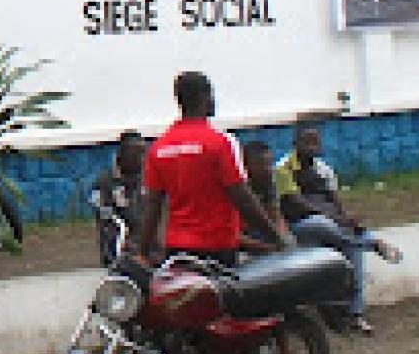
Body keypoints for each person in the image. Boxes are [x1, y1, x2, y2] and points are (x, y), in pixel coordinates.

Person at [133, 71, 284, 268]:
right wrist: (276, 238)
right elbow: (242, 197)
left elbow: (152, 205)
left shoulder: (159, 147)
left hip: (177, 248)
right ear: (205, 97)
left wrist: (143, 252)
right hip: (217, 246)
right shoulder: (221, 142)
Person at [274, 126, 403, 335]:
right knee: (322, 224)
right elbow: (298, 204)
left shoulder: (323, 170)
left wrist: (347, 220)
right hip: (303, 224)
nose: (312, 147)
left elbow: (335, 201)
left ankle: (355, 314)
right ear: (295, 144)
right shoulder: (283, 168)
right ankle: (373, 243)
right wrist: (336, 219)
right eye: (307, 142)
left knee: (352, 248)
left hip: (332, 225)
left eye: (315, 142)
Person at [89, 130, 146, 264]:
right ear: (122, 154)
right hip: (119, 251)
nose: (142, 159)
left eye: (143, 153)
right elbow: (106, 221)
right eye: (137, 154)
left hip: (148, 248)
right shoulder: (105, 183)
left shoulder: (148, 180)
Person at [237, 140, 287, 255]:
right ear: (245, 166)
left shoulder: (268, 182)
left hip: (264, 233)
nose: (267, 169)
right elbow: (233, 236)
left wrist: (283, 238)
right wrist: (267, 247)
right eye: (260, 164)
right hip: (242, 243)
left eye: (269, 163)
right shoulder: (236, 189)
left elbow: (276, 214)